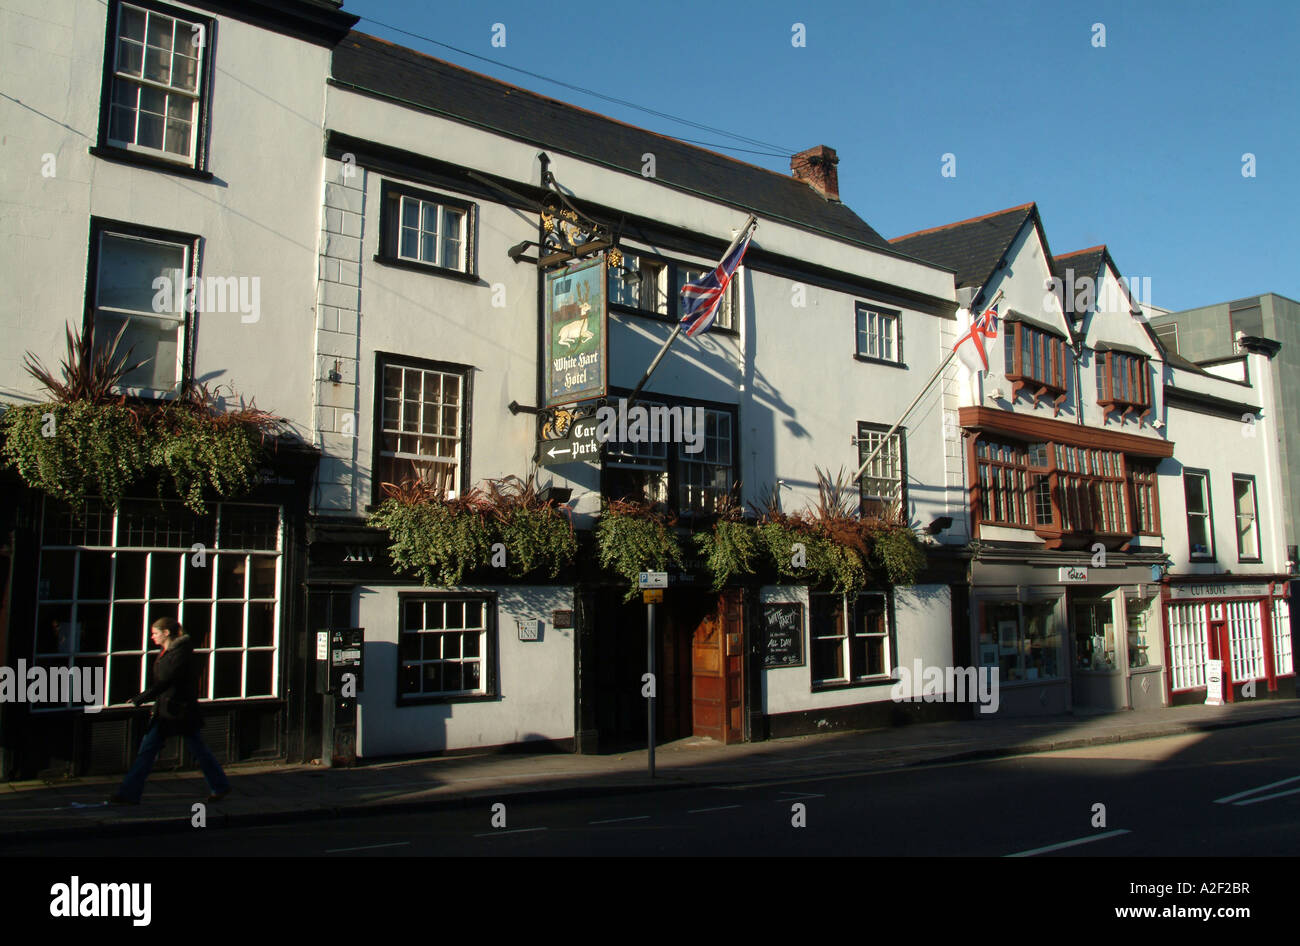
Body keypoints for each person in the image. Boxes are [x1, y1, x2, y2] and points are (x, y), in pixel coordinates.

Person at [109, 617, 231, 805]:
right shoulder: (167, 652)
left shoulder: (181, 652)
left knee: (195, 751)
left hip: (180, 711)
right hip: (167, 710)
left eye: (155, 633)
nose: (152, 637)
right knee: (149, 752)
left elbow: (167, 680)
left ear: (166, 633)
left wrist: (140, 698)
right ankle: (129, 793)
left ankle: (129, 793)